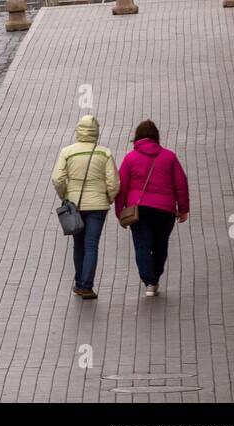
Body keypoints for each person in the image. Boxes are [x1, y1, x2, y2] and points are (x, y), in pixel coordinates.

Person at [115, 120, 189, 297]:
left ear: (137, 138)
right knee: (160, 244)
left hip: (139, 209)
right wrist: (183, 208)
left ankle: (148, 279)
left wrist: (120, 212)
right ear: (156, 136)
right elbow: (181, 184)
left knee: (142, 244)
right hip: (165, 210)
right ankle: (155, 277)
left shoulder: (130, 158)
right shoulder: (169, 157)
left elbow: (122, 186)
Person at [52, 115, 119, 299]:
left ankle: (79, 282)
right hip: (98, 206)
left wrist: (65, 194)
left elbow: (57, 178)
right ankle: (86, 286)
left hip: (75, 204)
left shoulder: (67, 152)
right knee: (91, 245)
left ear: (78, 130)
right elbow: (113, 182)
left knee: (78, 244)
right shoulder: (104, 153)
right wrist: (108, 198)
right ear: (96, 132)